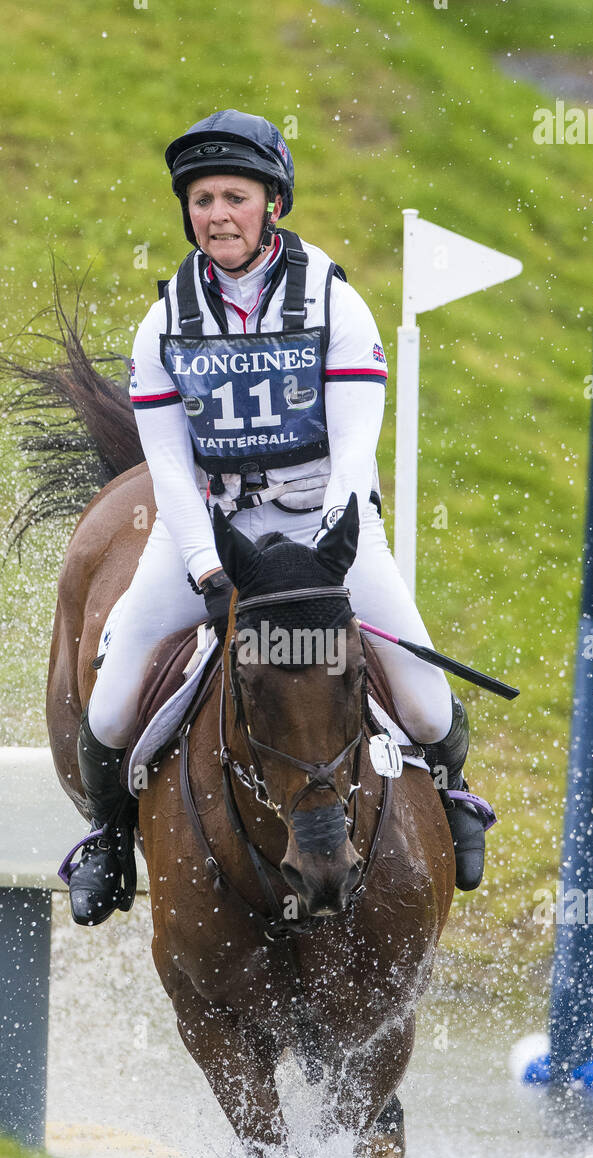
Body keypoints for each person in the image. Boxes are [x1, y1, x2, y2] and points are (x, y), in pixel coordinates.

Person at [67, 110, 489, 926]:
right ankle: (109, 841)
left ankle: (454, 792)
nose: (216, 214)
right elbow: (169, 466)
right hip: (212, 533)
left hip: (323, 528)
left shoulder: (337, 305)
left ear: (273, 205)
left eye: (233, 196)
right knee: (113, 704)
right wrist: (203, 565)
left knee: (429, 703)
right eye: (200, 200)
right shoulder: (163, 325)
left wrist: (325, 557)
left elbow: (355, 450)